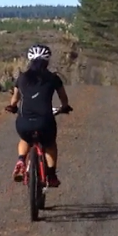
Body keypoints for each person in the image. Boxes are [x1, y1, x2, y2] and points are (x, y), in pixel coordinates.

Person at [6, 44, 71, 188]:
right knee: (50, 144)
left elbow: (14, 100)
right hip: (45, 122)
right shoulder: (53, 78)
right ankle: (51, 176)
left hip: (24, 122)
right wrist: (64, 107)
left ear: (30, 60)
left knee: (25, 138)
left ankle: (21, 160)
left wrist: (12, 107)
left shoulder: (22, 78)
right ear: (47, 60)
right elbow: (63, 98)